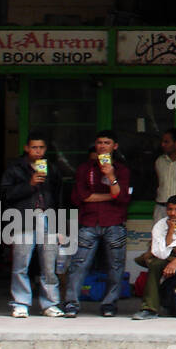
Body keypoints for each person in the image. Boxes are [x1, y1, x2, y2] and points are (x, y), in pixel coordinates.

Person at [63, 130, 131, 318]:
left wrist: (111, 176)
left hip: (114, 222)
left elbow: (123, 198)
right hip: (89, 221)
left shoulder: (122, 169)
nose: (102, 146)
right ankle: (71, 303)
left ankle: (109, 304)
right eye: (100, 142)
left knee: (115, 265)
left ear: (114, 146)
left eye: (107, 142)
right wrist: (111, 196)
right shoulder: (85, 169)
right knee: (79, 263)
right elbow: (82, 197)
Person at [1, 131, 64, 318]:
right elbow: (6, 195)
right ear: (27, 148)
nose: (38, 151)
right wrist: (30, 184)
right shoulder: (15, 169)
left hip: (47, 218)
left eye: (41, 148)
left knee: (48, 265)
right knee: (21, 264)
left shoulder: (51, 169)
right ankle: (20, 302)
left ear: (45, 149)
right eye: (34, 147)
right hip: (23, 220)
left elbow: (59, 197)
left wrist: (60, 226)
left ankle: (50, 304)